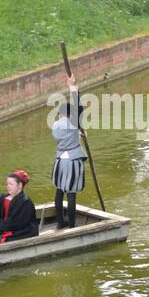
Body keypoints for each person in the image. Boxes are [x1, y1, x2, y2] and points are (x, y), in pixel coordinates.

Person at [51, 77, 87, 229]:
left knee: (59, 191)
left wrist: (78, 134)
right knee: (71, 192)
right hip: (72, 160)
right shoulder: (73, 122)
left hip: (60, 160)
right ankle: (72, 226)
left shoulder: (55, 125)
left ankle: (60, 222)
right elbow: (79, 107)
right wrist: (72, 87)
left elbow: (66, 136)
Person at [0, 171, 38, 245]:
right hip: (4, 228)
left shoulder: (26, 202)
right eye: (7, 184)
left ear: (19, 185)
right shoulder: (4, 197)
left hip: (22, 232)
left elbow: (17, 222)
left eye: (11, 184)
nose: (8, 186)